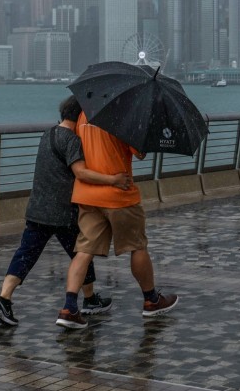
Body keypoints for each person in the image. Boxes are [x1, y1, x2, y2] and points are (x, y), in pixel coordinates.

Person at [0, 95, 131, 326]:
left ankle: (3, 299)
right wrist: (113, 180)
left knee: (26, 255)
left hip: (37, 209)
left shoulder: (48, 134)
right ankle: (89, 299)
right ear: (80, 116)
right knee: (82, 254)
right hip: (63, 212)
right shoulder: (72, 140)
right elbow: (81, 173)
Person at [55, 110, 178, 330]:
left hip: (88, 195)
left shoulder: (83, 116)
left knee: (84, 250)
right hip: (118, 194)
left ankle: (69, 307)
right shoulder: (123, 118)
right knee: (137, 246)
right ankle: (151, 300)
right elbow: (140, 152)